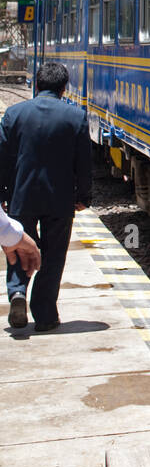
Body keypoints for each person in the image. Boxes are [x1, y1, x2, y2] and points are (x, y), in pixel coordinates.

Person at [1, 61, 91, 332]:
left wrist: (3, 193)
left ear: (37, 85)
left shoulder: (14, 114)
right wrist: (84, 196)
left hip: (22, 196)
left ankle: (17, 292)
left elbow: (2, 159)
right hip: (60, 200)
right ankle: (45, 313)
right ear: (64, 89)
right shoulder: (76, 117)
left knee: (18, 244)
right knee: (54, 256)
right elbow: (84, 163)